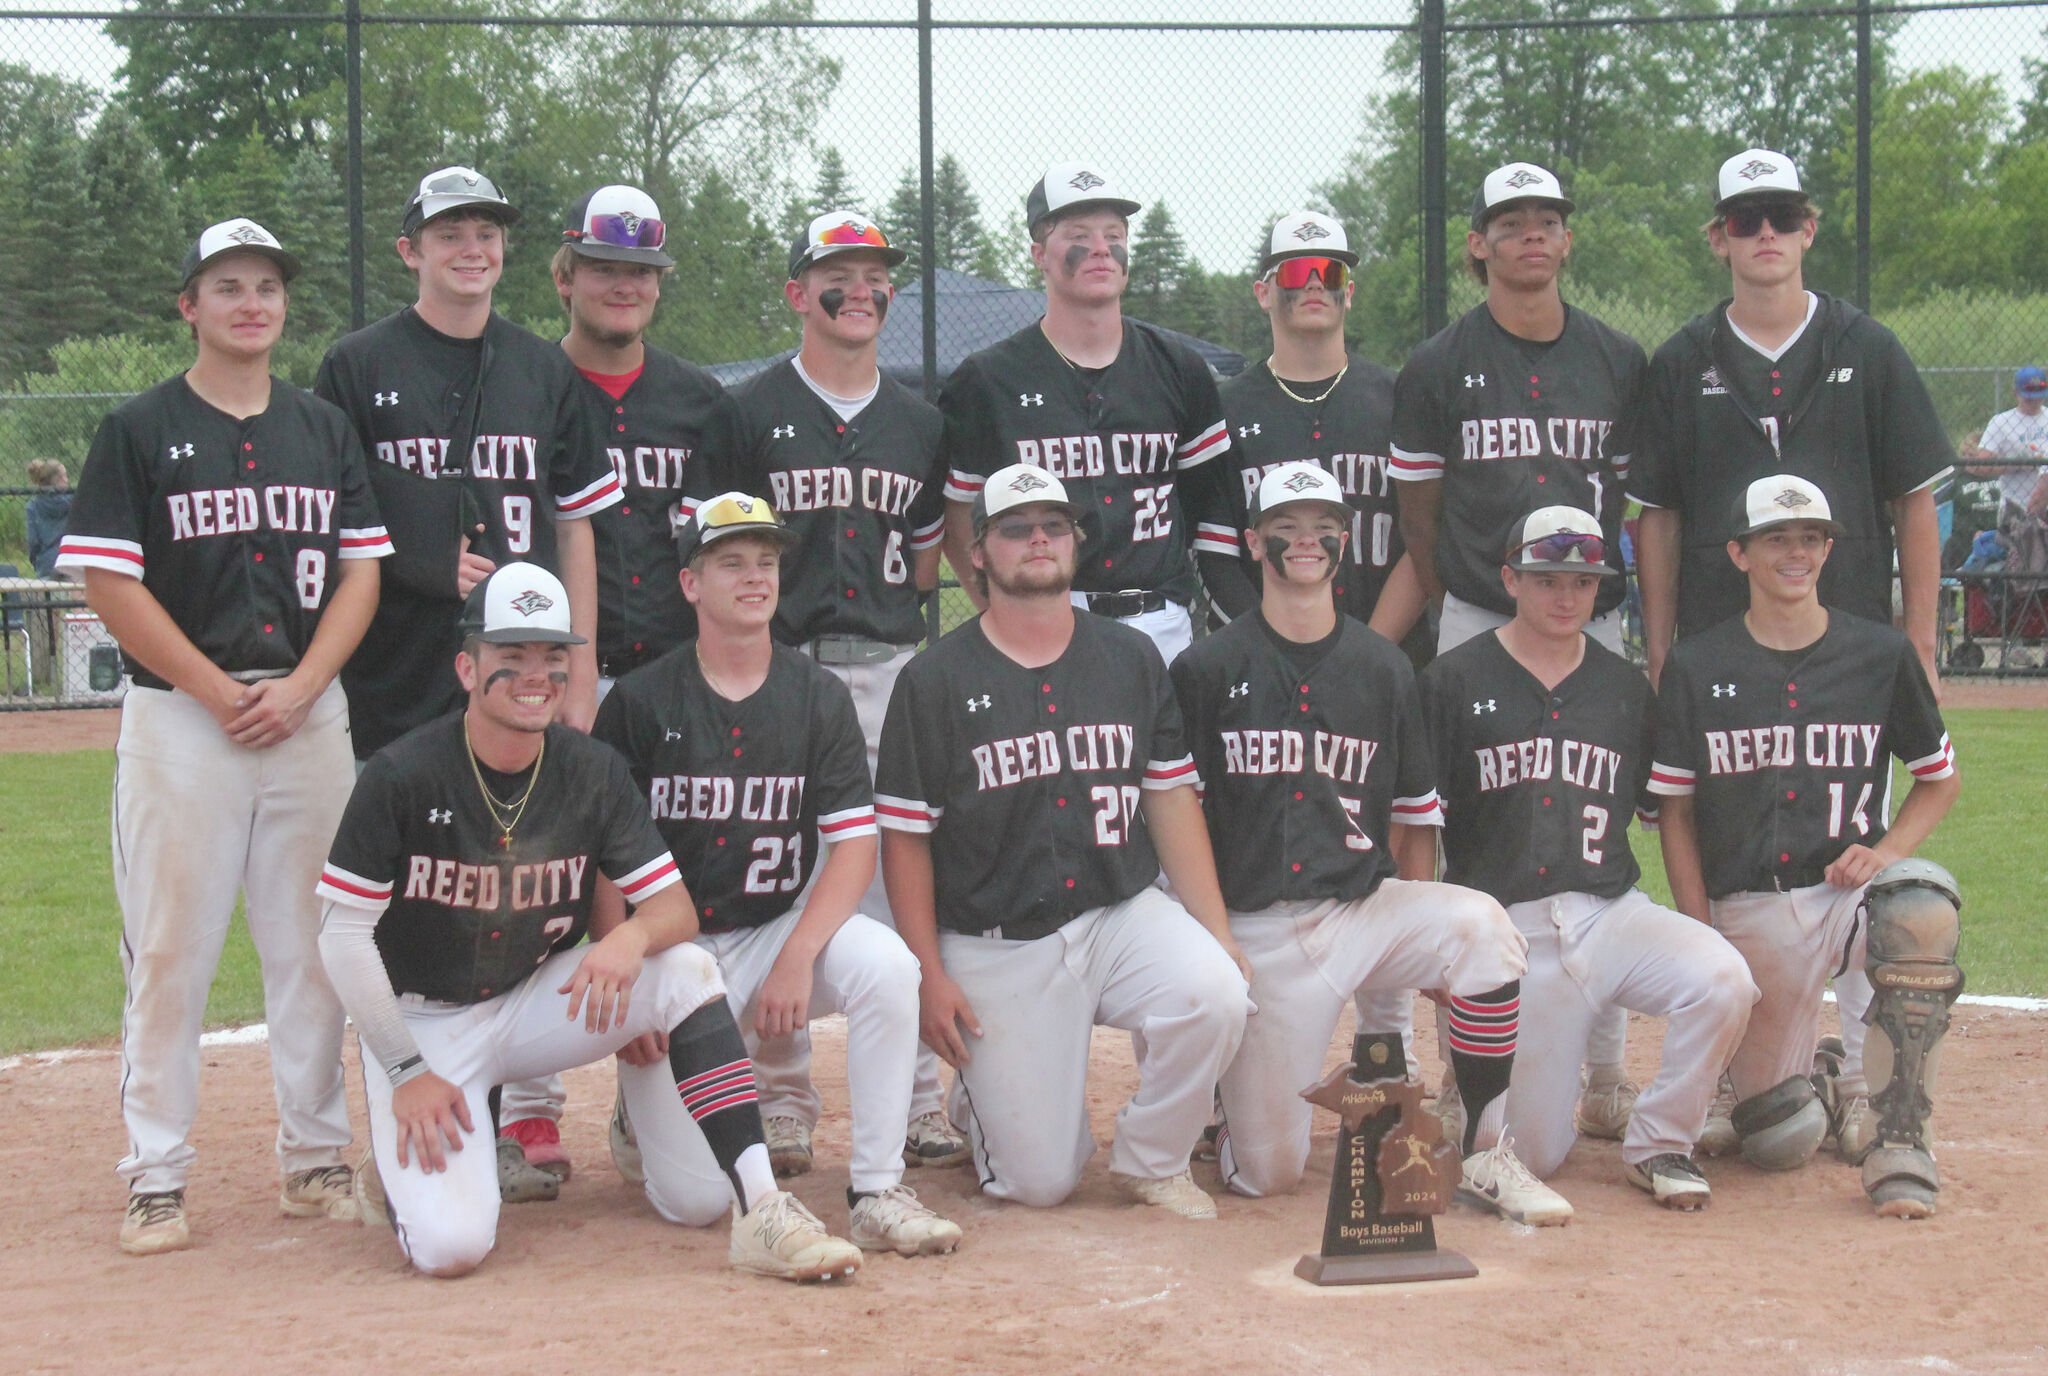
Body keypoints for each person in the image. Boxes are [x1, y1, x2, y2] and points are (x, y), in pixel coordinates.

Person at [315, 561, 864, 1279]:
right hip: (424, 1027)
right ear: (465, 666)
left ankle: (762, 1210)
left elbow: (674, 909)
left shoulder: (591, 771)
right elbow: (342, 934)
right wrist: (405, 1069)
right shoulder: (404, 774)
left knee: (685, 983)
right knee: (453, 1248)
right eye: (509, 660)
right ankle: (394, 1168)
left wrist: (628, 937)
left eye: (551, 658)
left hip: (531, 1000)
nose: (534, 676)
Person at [58, 218, 391, 1255]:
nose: (251, 301)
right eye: (227, 285)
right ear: (188, 305)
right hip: (180, 715)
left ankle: (315, 1158)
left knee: (314, 947)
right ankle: (155, 1172)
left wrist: (303, 683)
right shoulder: (139, 427)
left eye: (266, 286)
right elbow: (110, 579)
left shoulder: (322, 426)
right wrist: (214, 688)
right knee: (170, 946)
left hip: (307, 707)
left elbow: (361, 572)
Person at [1173, 463, 1554, 1220]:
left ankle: (1482, 1148)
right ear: (1253, 541)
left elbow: (1413, 819)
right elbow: (1180, 818)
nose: (1306, 540)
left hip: (1360, 909)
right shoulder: (1207, 668)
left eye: (1323, 526)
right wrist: (1212, 936)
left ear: (1345, 541)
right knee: (1270, 1174)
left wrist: (1408, 969)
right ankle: (1224, 1106)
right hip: (1257, 926)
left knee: (1482, 926)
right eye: (1286, 525)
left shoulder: (1383, 668)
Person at [591, 494, 963, 1257]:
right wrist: (629, 991)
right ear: (691, 583)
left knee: (888, 965)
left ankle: (877, 1186)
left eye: (766, 562)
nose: (754, 576)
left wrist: (798, 955)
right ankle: (640, 1116)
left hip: (770, 930)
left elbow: (855, 845)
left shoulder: (814, 695)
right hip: (671, 953)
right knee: (695, 1203)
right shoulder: (639, 700)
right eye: (731, 562)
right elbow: (604, 859)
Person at [876, 464, 1252, 1218]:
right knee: (1038, 1183)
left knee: (1216, 991)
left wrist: (1216, 932)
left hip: (1118, 912)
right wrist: (929, 973)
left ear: (1077, 540)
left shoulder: (1130, 657)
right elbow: (907, 843)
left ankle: (1153, 1156)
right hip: (997, 940)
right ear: (978, 553)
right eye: (1016, 528)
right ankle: (989, 1099)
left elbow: (1171, 797)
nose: (1038, 540)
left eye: (1054, 525)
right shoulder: (934, 680)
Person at [685, 210, 965, 1178]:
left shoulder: (921, 423)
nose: (860, 290)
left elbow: (925, 568)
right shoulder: (747, 412)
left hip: (889, 662)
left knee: (902, 874)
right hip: (784, 666)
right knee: (780, 870)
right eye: (836, 274)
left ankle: (922, 1096)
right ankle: (782, 1096)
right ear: (798, 292)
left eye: (875, 274)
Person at [488, 185, 747, 1184]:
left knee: (672, 880)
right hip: (557, 671)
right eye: (604, 266)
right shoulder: (524, 383)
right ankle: (531, 1107)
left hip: (673, 672)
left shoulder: (698, 400)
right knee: (541, 879)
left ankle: (662, 1098)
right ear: (563, 277)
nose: (624, 283)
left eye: (640, 271)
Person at [1384, 161, 1648, 1143]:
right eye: (1509, 221)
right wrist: (1451, 603)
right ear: (1477, 243)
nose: (1530, 234)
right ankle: (1470, 1065)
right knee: (1472, 846)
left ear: (1565, 240)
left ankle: (1609, 1068)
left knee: (1598, 840)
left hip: (1590, 621)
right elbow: (1419, 515)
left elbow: (1639, 503)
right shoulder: (1436, 365)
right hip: (1471, 618)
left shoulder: (1619, 359)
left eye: (1546, 220)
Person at [1419, 504, 1756, 1210]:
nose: (1567, 596)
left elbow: (1659, 808)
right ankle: (1490, 1103)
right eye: (1547, 578)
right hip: (1510, 929)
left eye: (1582, 580)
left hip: (1611, 913)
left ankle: (1662, 1141)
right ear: (1510, 578)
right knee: (1535, 1154)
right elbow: (1417, 822)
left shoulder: (1625, 688)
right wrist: (1431, 938)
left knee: (1724, 978)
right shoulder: (1451, 681)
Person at [1648, 475, 1963, 1218]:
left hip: (1847, 893)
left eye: (1812, 538)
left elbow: (1938, 780)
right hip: (1748, 906)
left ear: (1828, 549)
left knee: (1918, 911)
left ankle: (1901, 1138)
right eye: (1777, 538)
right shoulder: (1698, 665)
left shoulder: (1880, 654)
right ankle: (1809, 1077)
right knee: (1778, 1136)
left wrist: (1884, 853)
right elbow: (1676, 811)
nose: (1798, 552)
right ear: (1739, 553)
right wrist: (1702, 931)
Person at [315, 166, 620, 763]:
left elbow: (575, 522)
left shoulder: (544, 368)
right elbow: (333, 512)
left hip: (525, 654)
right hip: (396, 659)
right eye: (450, 234)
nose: (473, 249)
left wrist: (580, 673)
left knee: (521, 847)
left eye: (487, 232)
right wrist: (421, 550)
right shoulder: (356, 364)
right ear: (411, 251)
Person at [1632, 150, 1952, 694]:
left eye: (1782, 217)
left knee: (1849, 779)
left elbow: (1913, 501)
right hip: (1719, 642)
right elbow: (1660, 516)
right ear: (1718, 238)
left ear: (1807, 230)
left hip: (1852, 638)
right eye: (1744, 220)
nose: (1765, 233)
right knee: (1723, 781)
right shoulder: (1681, 362)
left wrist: (1920, 646)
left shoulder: (1869, 348)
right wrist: (1660, 652)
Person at [938, 162, 1231, 663]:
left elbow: (1211, 510)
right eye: (1078, 235)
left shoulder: (1179, 369)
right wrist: (998, 607)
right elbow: (957, 514)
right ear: (1039, 255)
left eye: (1113, 234)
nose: (1101, 248)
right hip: (1043, 615)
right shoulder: (987, 380)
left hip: (1160, 621)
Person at [1197, 212, 1428, 657]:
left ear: (1350, 292)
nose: (1316, 284)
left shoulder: (1400, 398)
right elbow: (1215, 553)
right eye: (1297, 271)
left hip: (1386, 655)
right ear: (1263, 293)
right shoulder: (1225, 408)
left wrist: (1367, 655)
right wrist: (1270, 650)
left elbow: (1422, 538)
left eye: (1331, 271)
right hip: (1264, 663)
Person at [1960, 365, 2048, 527]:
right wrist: (2020, 464)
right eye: (2029, 397)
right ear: (2015, 392)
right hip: (2015, 508)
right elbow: (1981, 466)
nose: (2034, 401)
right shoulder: (2001, 422)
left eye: (2038, 396)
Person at [25, 458, 71, 579]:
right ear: (56, 480)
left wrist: (37, 562)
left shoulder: (33, 506)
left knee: (47, 594)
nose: (67, 480)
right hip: (70, 560)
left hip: (47, 564)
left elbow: (33, 541)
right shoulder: (74, 502)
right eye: (64, 476)